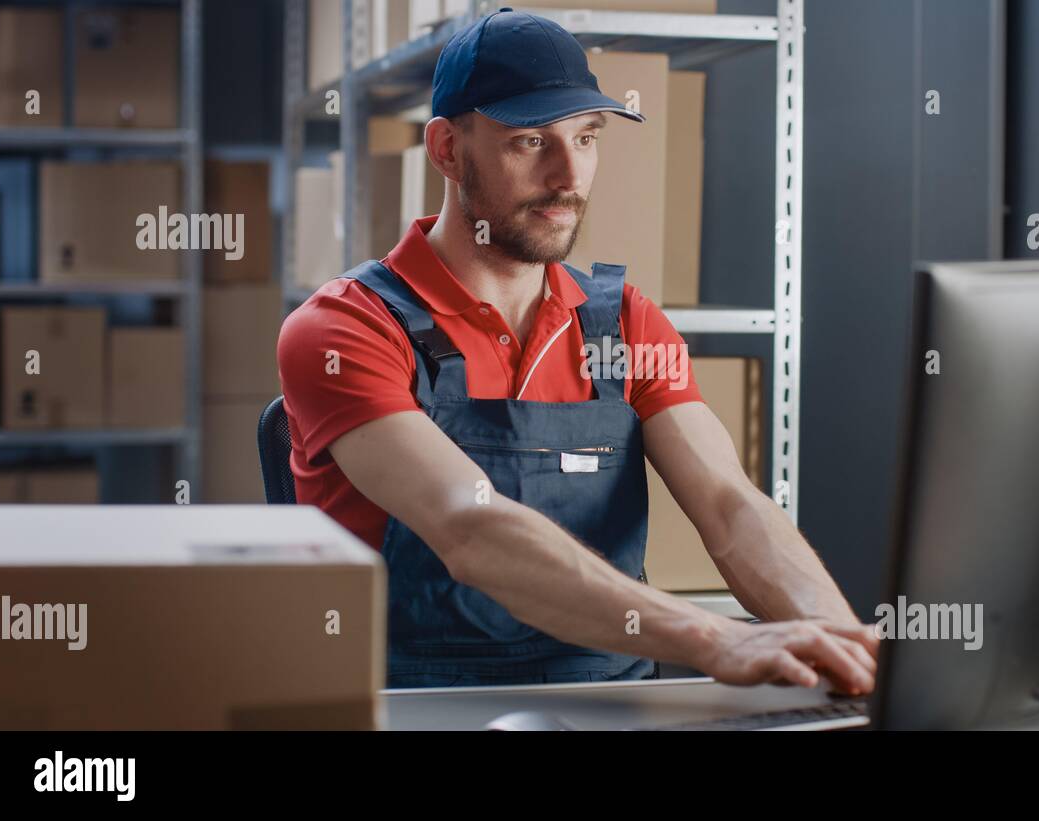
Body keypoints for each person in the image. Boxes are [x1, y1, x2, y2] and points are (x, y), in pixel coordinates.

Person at [277, 7, 878, 690]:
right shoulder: (346, 328)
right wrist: (714, 638)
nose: (569, 176)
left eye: (586, 137)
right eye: (532, 142)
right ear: (446, 149)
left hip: (609, 701)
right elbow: (472, 529)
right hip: (419, 706)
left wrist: (845, 648)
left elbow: (729, 507)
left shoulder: (623, 324)